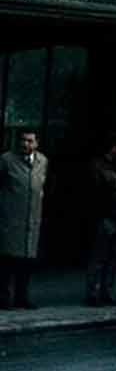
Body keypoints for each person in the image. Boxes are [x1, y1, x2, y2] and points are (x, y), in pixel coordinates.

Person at [0, 131, 49, 310]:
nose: (25, 144)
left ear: (36, 143)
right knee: (7, 263)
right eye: (23, 140)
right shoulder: (6, 160)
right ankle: (4, 299)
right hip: (11, 219)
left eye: (30, 141)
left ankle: (22, 298)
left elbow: (41, 185)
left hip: (32, 220)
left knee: (26, 263)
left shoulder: (42, 161)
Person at [85, 134, 116, 307]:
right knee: (99, 257)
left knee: (112, 257)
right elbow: (95, 195)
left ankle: (106, 291)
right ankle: (93, 292)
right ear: (114, 148)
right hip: (104, 217)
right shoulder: (97, 167)